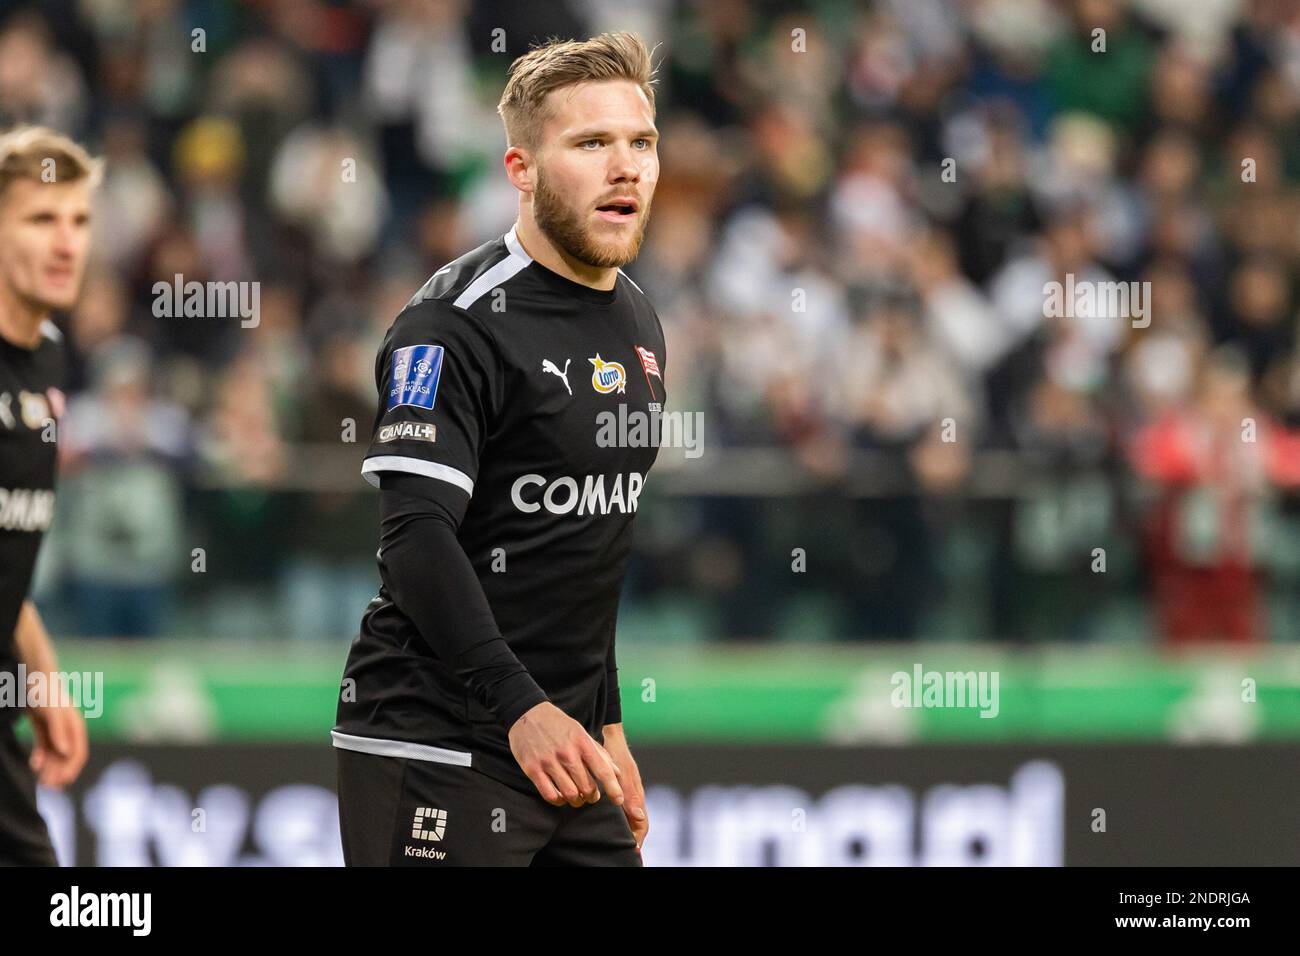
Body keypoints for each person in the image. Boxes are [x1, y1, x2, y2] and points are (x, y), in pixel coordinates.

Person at [334, 32, 665, 866]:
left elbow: (588, 545)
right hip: (441, 740)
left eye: (641, 142)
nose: (625, 166)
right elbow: (416, 541)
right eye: (591, 143)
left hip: (564, 743)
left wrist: (607, 719)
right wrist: (522, 708)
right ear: (521, 169)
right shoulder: (453, 325)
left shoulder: (637, 317)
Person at [0, 125, 97, 864]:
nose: (67, 242)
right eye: (40, 219)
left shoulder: (52, 354)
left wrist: (42, 674)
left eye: (79, 220)